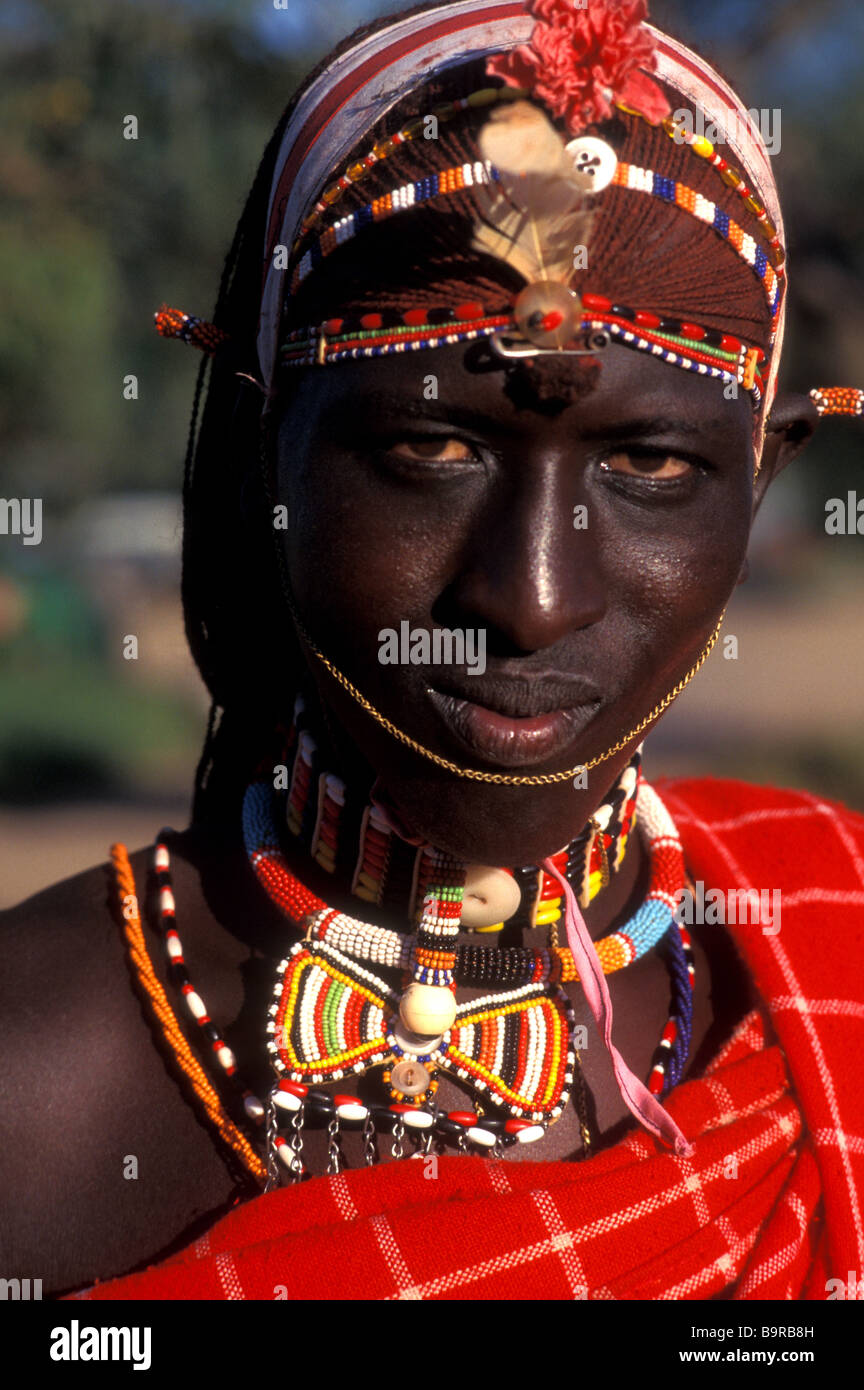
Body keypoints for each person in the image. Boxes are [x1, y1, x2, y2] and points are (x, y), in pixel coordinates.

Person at [2, 0, 863, 1302]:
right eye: (428, 450)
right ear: (261, 450)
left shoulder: (828, 940)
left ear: (762, 473)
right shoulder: (35, 1085)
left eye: (648, 464)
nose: (529, 596)